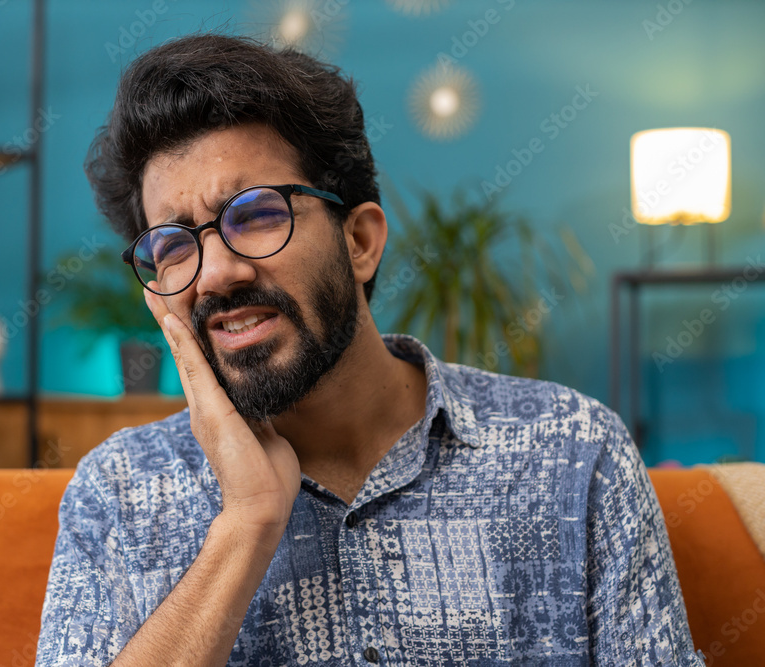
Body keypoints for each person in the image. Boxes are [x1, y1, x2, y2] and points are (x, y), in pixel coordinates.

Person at [35, 33, 705, 666]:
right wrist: (245, 525)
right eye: (175, 245)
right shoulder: (118, 495)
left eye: (257, 212)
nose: (215, 273)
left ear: (359, 241)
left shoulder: (573, 451)